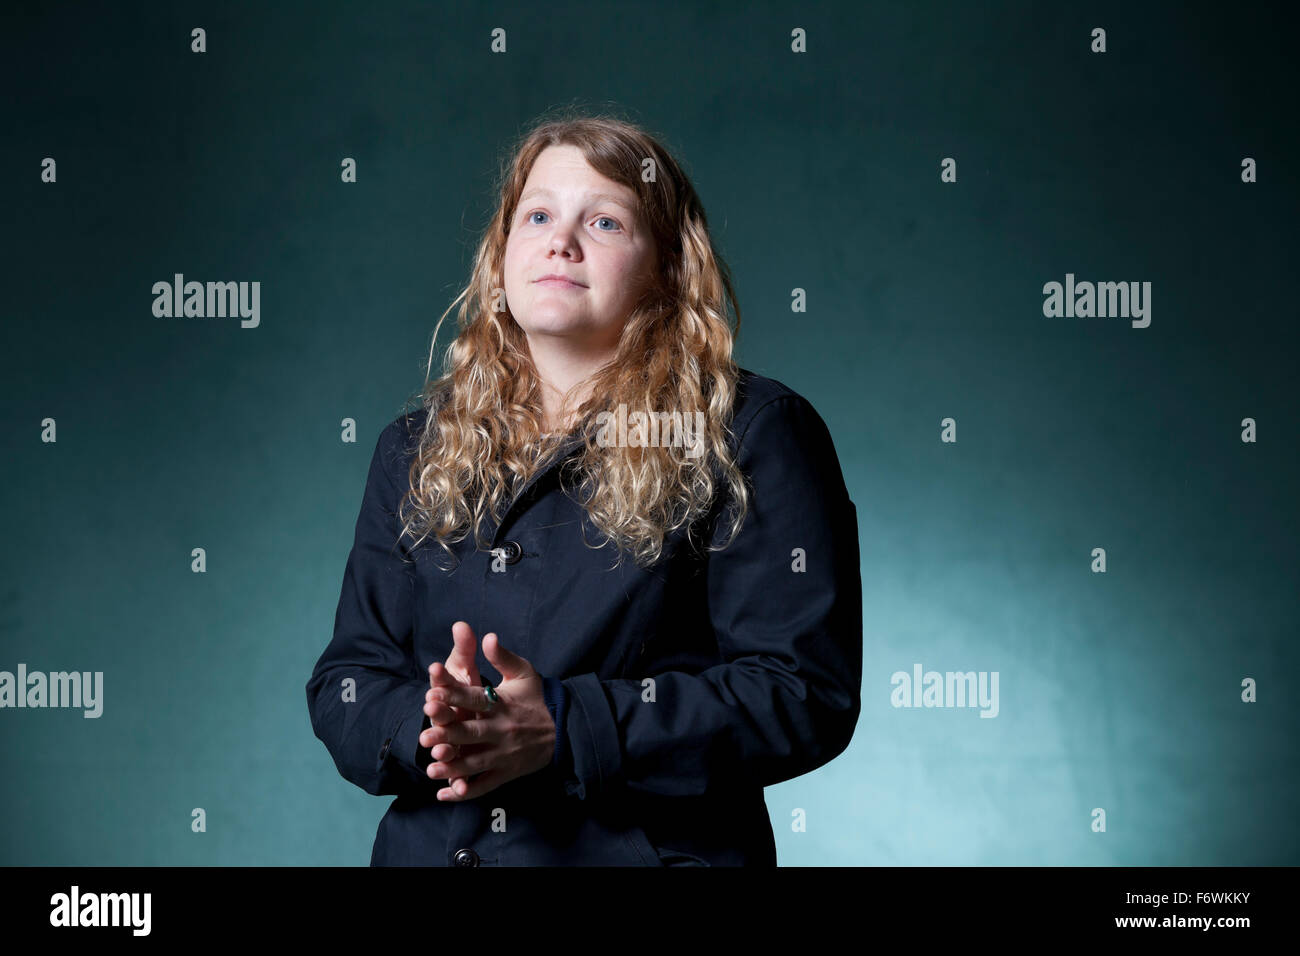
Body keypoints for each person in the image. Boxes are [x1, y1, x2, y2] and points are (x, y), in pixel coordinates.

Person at [305, 111, 863, 866]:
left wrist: (566, 725)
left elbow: (800, 693)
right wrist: (439, 728)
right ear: (502, 253)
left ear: (667, 266)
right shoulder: (414, 445)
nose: (560, 241)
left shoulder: (752, 431)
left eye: (603, 222)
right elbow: (348, 678)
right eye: (537, 215)